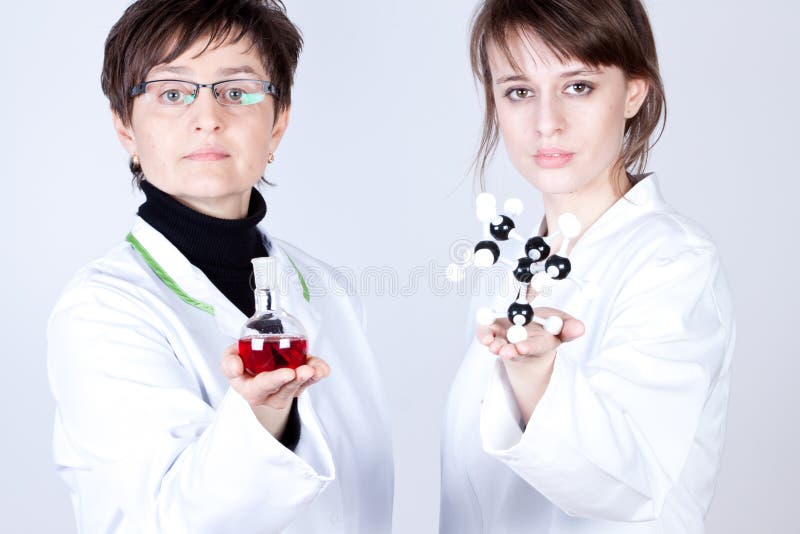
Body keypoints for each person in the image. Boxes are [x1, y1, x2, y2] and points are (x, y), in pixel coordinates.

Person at [46, 1, 393, 532]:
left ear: (277, 122)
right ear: (125, 127)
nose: (208, 117)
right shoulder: (101, 310)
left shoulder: (329, 290)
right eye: (172, 93)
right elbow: (159, 521)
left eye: (236, 91)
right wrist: (261, 419)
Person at [440, 1, 735, 532]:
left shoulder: (672, 262)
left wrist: (537, 376)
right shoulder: (511, 273)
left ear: (633, 92)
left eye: (578, 86)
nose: (546, 123)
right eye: (519, 91)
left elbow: (632, 481)